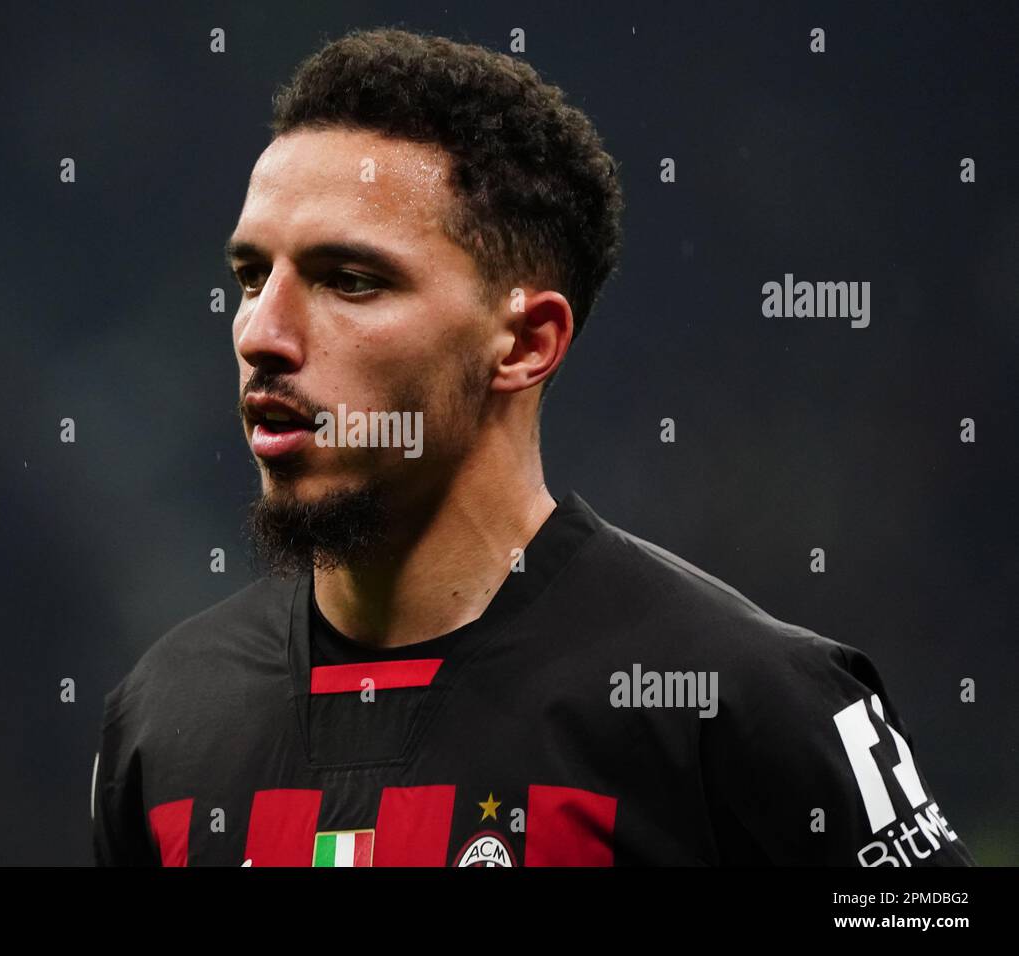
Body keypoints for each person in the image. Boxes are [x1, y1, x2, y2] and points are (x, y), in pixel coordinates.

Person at [91, 27, 972, 867]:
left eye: (349, 281)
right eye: (252, 276)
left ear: (523, 344)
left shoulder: (747, 705)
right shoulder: (166, 716)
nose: (261, 332)